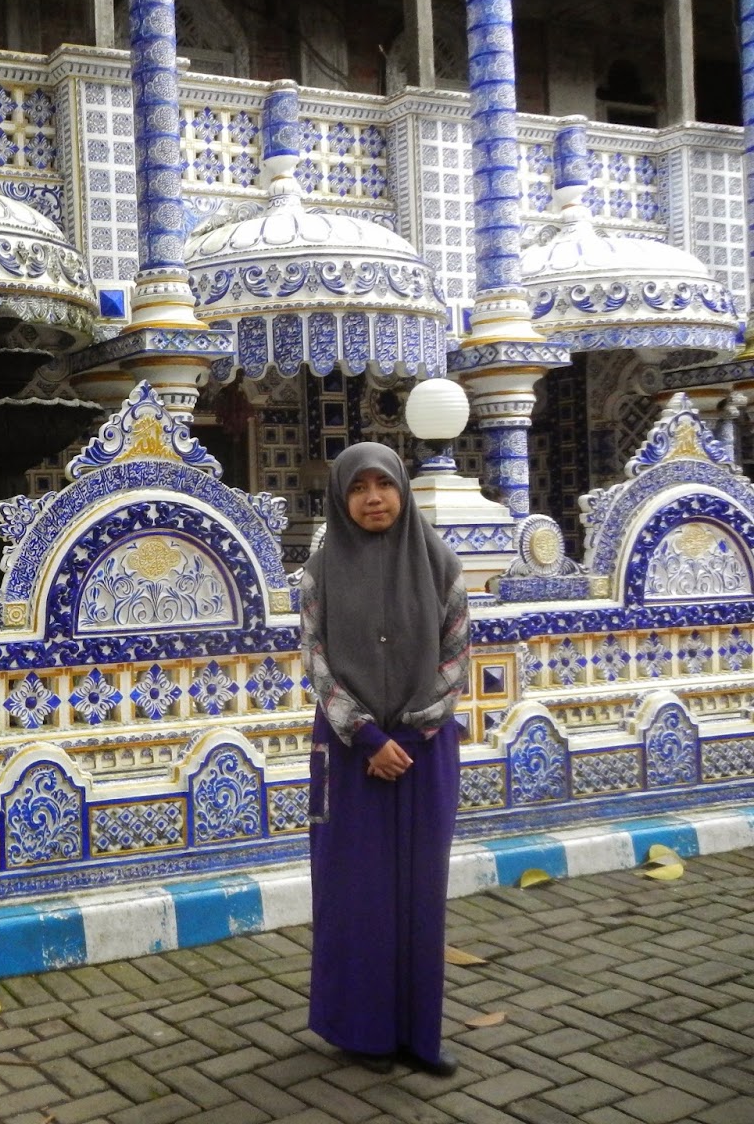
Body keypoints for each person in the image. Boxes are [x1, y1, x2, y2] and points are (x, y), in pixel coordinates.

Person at [298, 441, 471, 1076]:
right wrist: (370, 738)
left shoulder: (441, 564)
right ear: (340, 499)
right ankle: (361, 1032)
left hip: (424, 753)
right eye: (358, 488)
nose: (374, 499)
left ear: (402, 489)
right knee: (357, 894)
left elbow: (455, 657)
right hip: (349, 757)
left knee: (419, 893)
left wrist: (413, 735)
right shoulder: (319, 574)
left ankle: (417, 1036)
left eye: (385, 484)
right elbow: (316, 662)